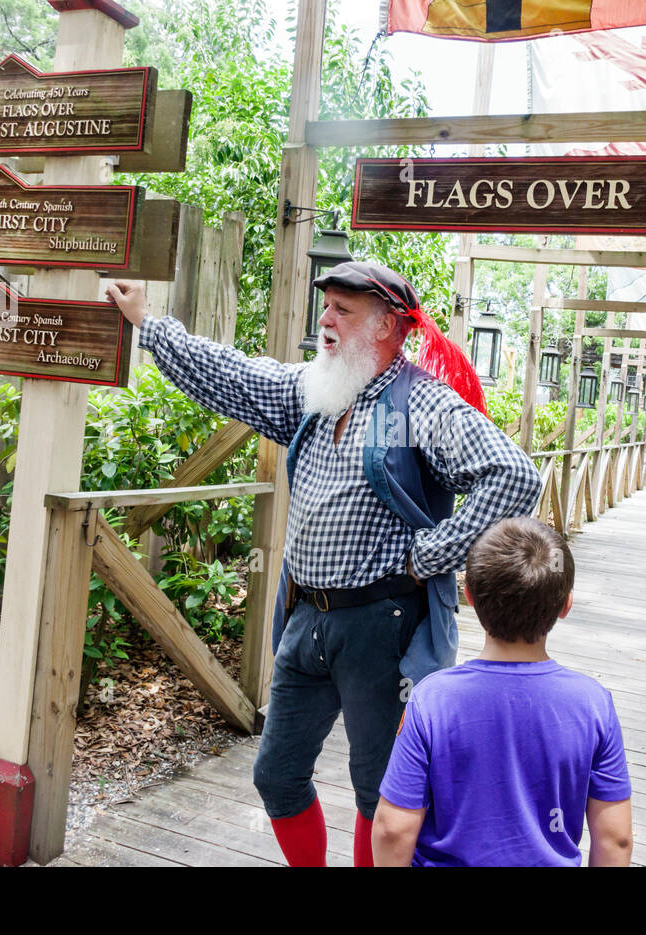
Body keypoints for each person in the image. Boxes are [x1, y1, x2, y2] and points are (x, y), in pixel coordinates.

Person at [106, 263, 541, 867]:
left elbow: (514, 474)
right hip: (305, 617)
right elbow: (229, 375)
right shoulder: (315, 392)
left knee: (381, 793)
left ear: (389, 325)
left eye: (344, 310)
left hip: (383, 625)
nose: (326, 321)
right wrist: (148, 324)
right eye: (326, 307)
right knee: (277, 776)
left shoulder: (420, 404)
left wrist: (430, 555)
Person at [372, 516, 634, 866]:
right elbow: (616, 839)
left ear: (470, 598)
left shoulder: (432, 700)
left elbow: (392, 829)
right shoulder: (592, 703)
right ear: (565, 606)